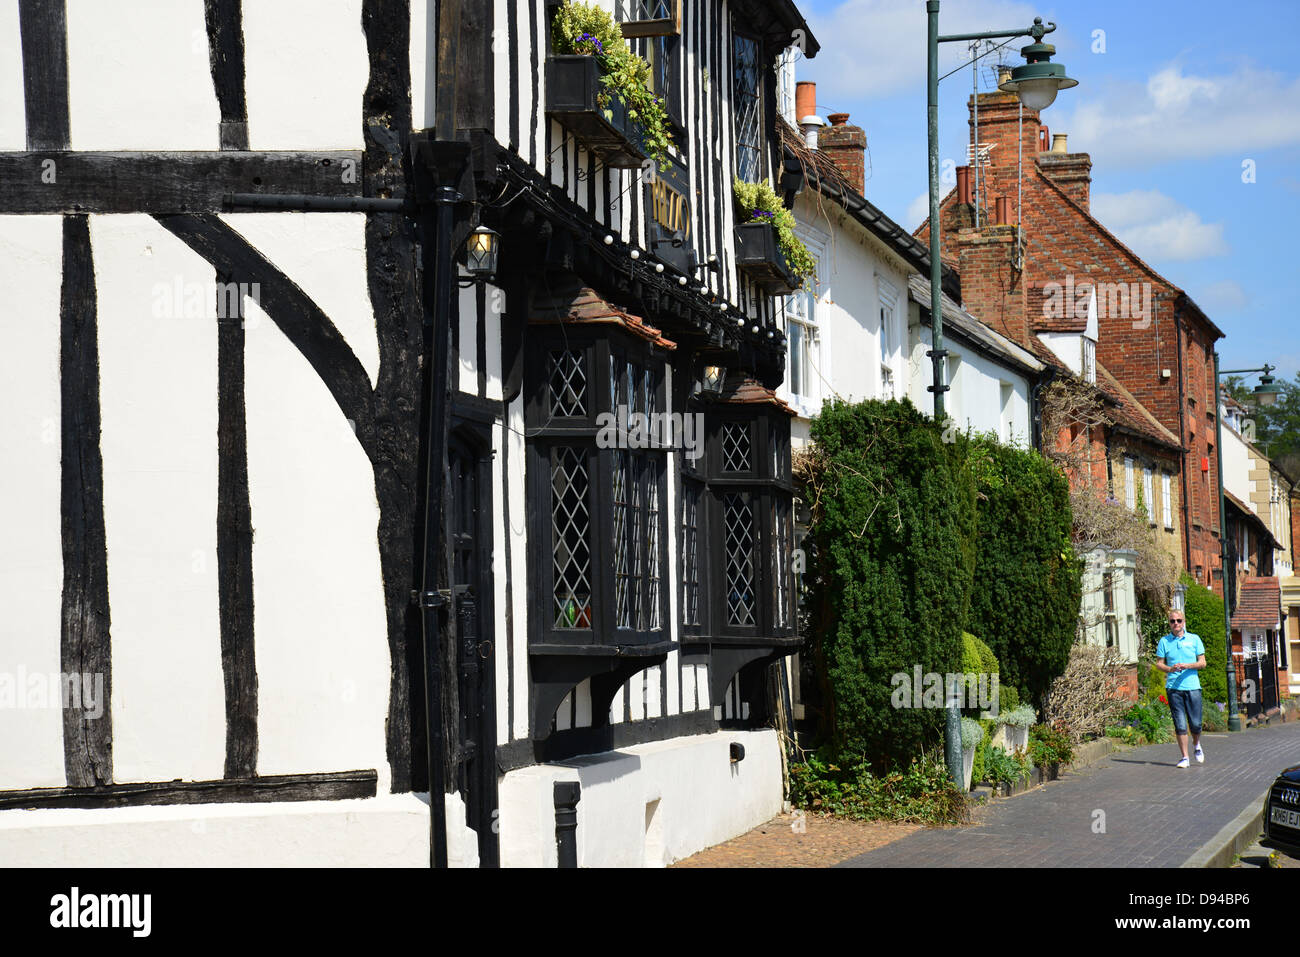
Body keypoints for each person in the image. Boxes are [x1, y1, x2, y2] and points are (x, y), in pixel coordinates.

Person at [1156, 610, 1206, 768]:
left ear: (1184, 622)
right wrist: (1170, 669)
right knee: (1180, 724)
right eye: (1172, 621)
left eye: (1178, 620)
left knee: (1196, 723)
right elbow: (1159, 663)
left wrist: (1187, 666)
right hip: (1173, 688)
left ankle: (1196, 745)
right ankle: (1185, 757)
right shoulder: (1164, 641)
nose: (1175, 624)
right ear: (1169, 623)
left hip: (1192, 686)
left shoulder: (1194, 639)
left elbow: (1202, 663)